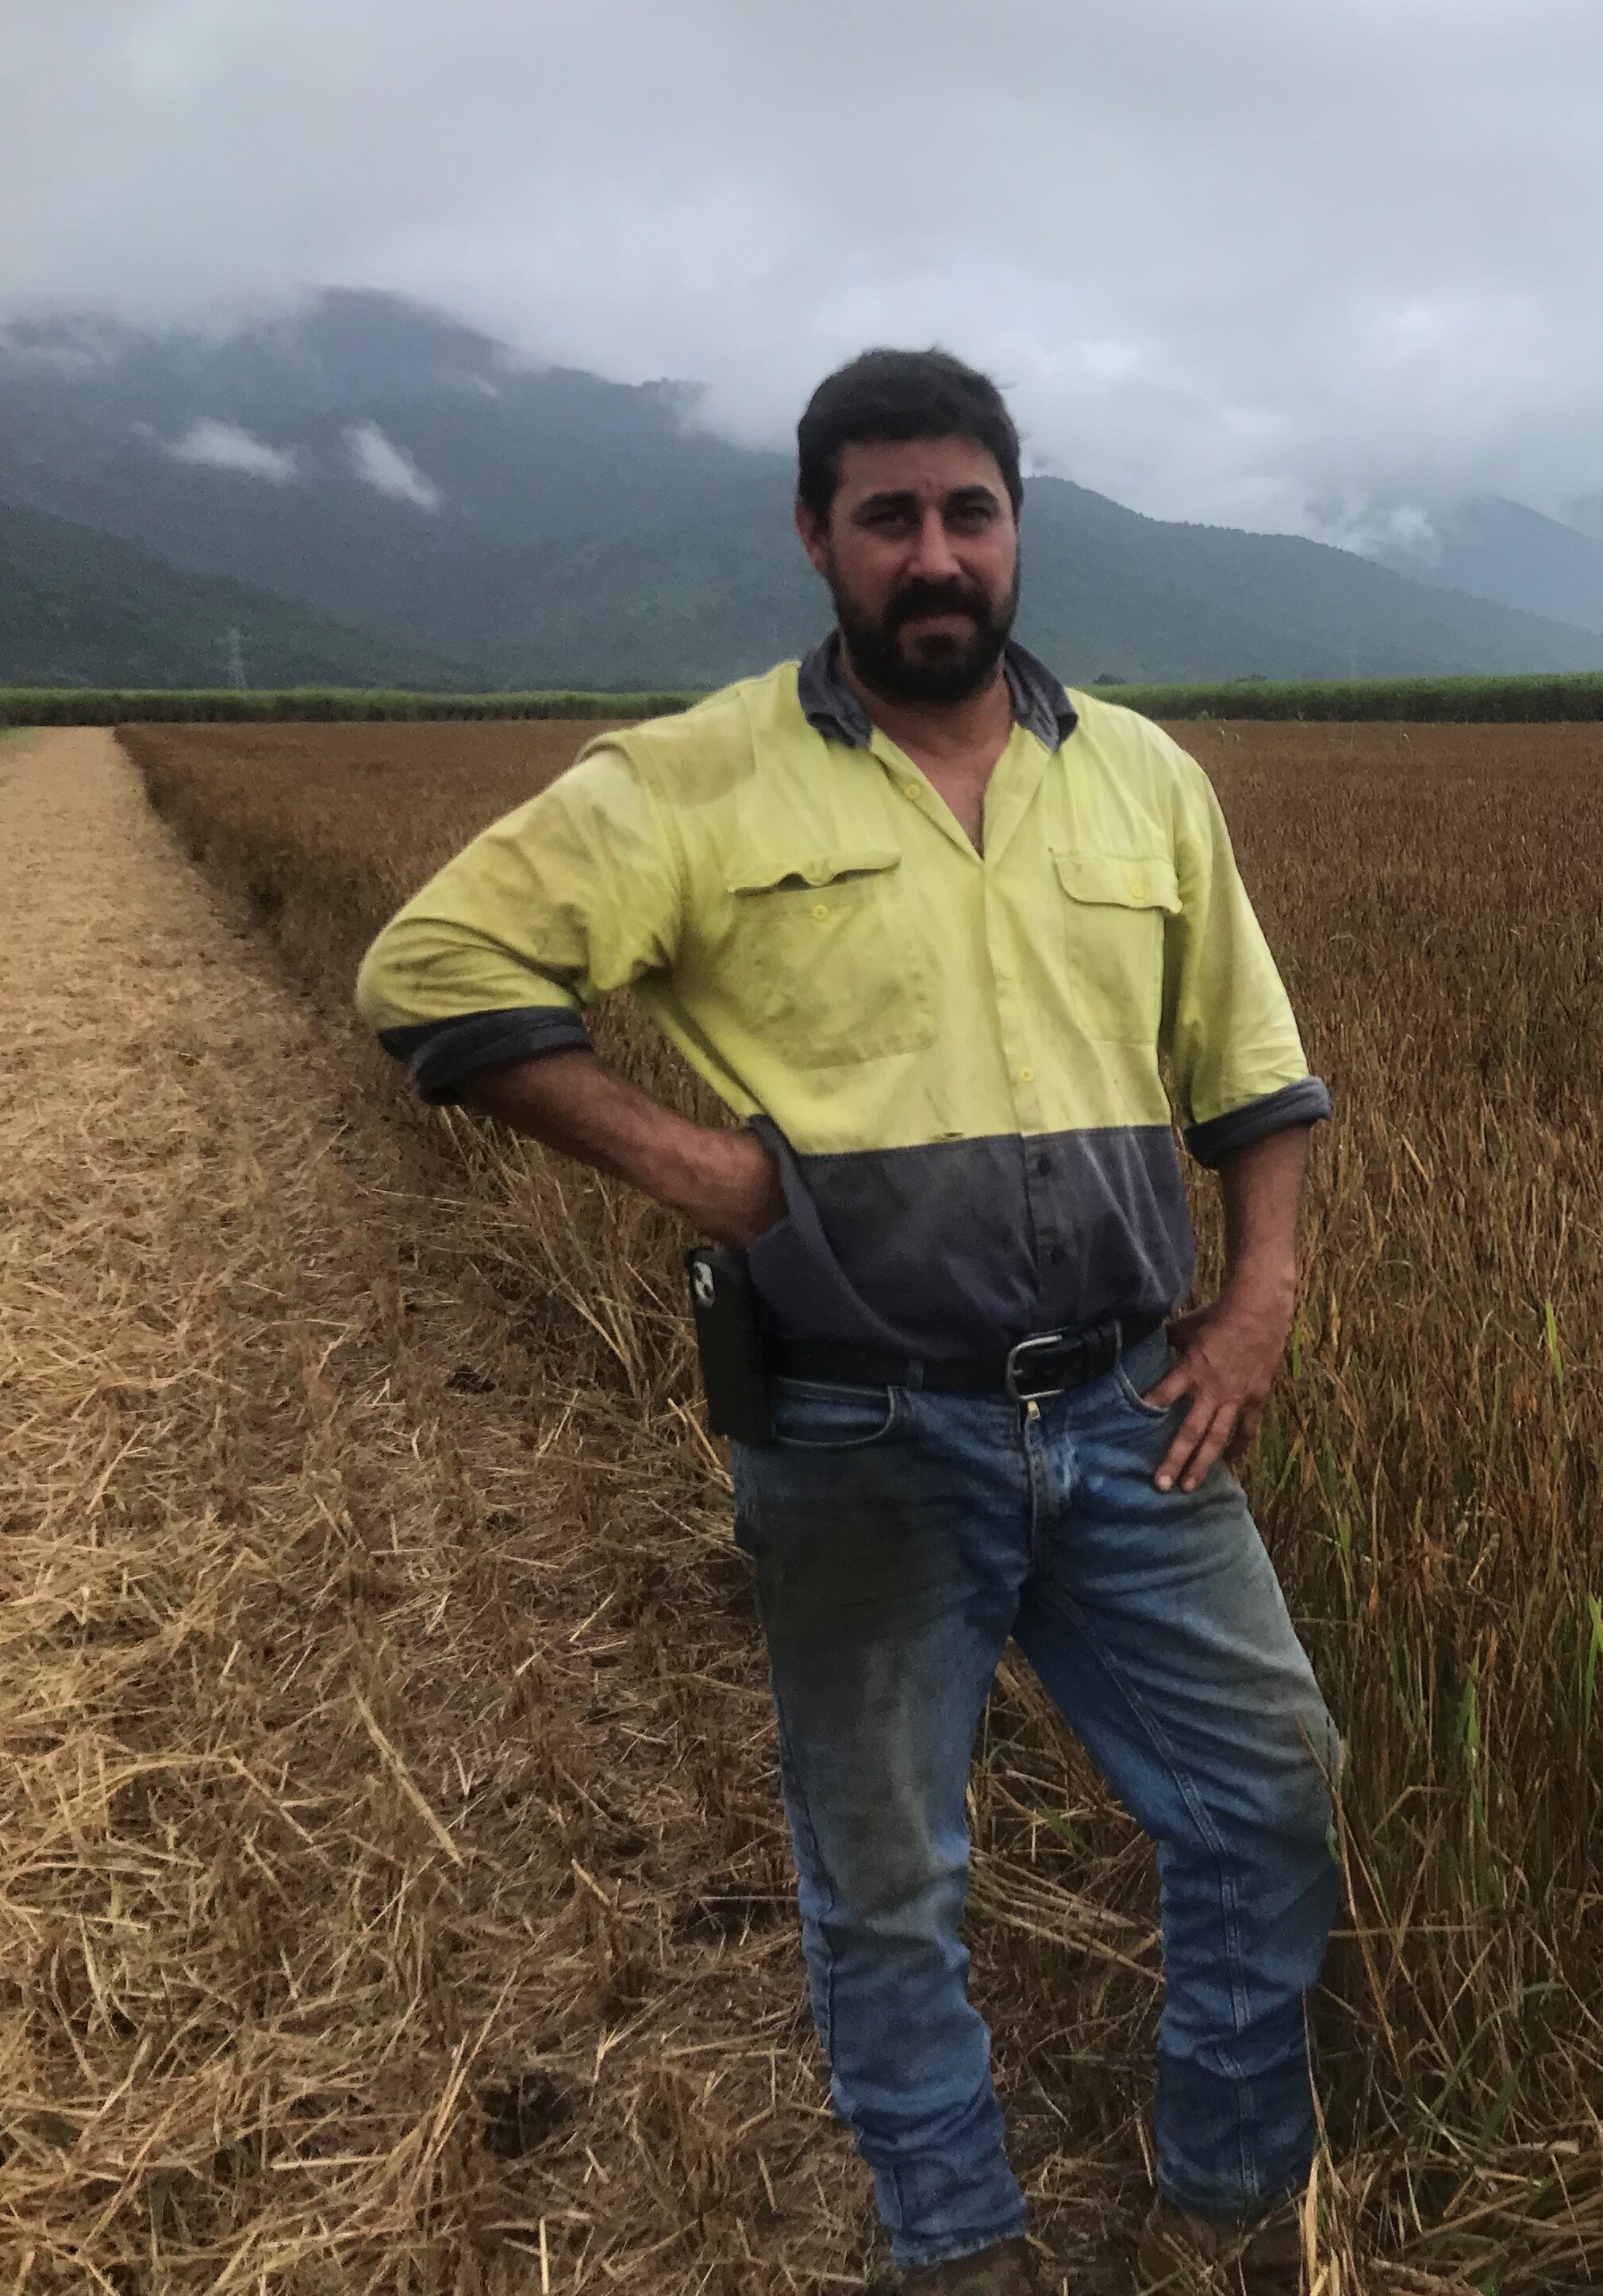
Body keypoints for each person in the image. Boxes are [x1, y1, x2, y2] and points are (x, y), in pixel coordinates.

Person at [356, 349, 1340, 2295]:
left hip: (1135, 1409)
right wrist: (679, 1163)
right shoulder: (699, 777)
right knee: (890, 1887)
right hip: (862, 1437)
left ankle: (1223, 2212)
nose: (934, 552)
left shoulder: (1141, 779)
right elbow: (432, 967)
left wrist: (1256, 1303)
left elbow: (1254, 1076)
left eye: (968, 510)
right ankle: (955, 2248)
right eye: (886, 516)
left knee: (1272, 1790)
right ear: (816, 537)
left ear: (1017, 526)